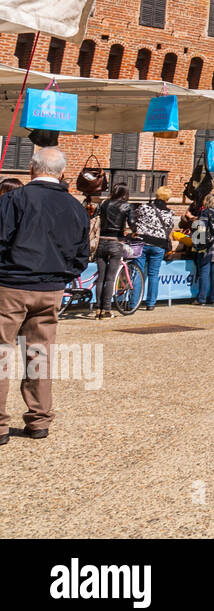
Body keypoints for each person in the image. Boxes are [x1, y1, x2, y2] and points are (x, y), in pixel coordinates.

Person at [0, 148, 90, 443]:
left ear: (31, 169)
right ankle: (39, 420)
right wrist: (61, 277)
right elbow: (81, 255)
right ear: (62, 173)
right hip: (50, 289)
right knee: (39, 354)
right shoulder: (75, 207)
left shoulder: (15, 199)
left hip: (12, 285)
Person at [132, 186, 177, 311]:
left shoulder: (144, 207)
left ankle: (133, 303)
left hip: (143, 242)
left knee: (137, 273)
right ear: (168, 198)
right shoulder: (169, 212)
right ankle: (151, 303)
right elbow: (169, 228)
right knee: (154, 274)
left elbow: (135, 219)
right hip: (159, 245)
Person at [94, 183, 134, 319]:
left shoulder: (104, 204)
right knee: (110, 278)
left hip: (101, 241)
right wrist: (135, 232)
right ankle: (106, 310)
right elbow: (132, 223)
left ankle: (97, 309)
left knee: (101, 278)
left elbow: (95, 217)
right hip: (116, 242)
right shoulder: (127, 206)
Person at [185, 195, 214, 306]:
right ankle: (213, 298)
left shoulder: (205, 212)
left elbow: (200, 229)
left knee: (204, 271)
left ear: (207, 201)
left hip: (207, 245)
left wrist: (198, 245)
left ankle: (201, 298)